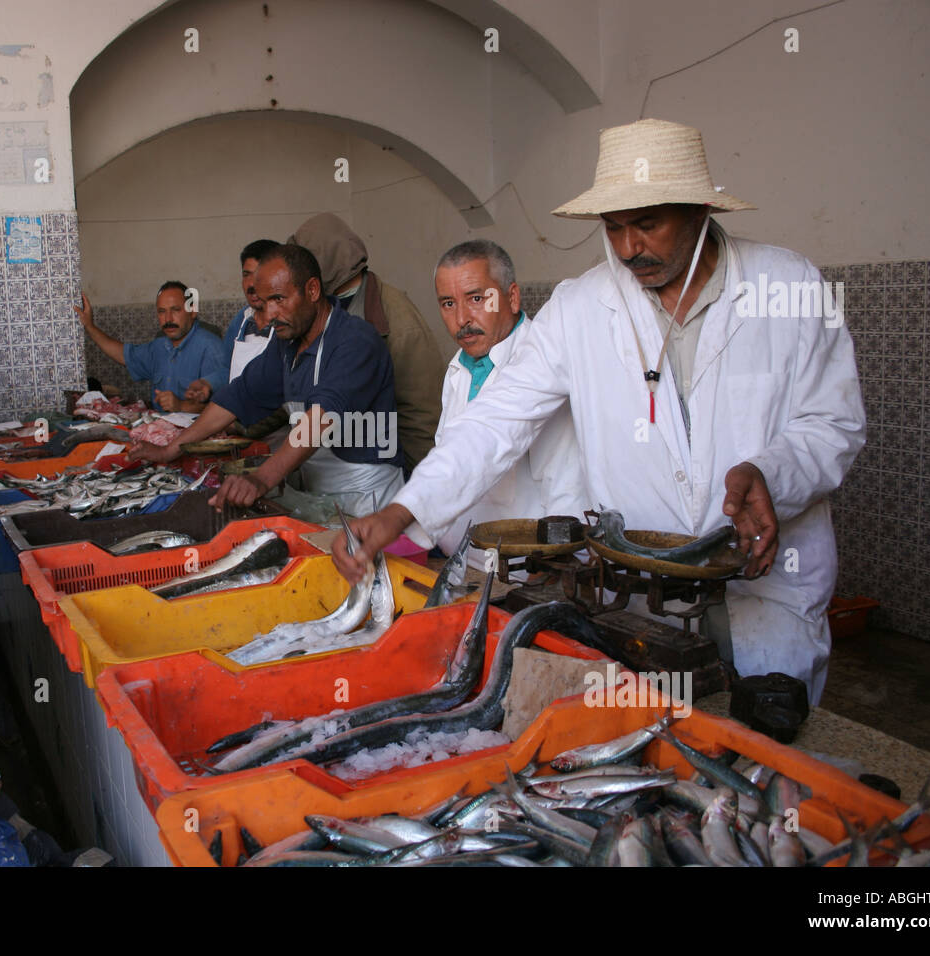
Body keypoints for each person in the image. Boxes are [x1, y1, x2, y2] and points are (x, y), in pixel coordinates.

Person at [332, 119, 866, 704]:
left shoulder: (788, 288)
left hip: (767, 588)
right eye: (614, 228)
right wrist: (404, 510)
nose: (629, 247)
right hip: (640, 594)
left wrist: (772, 473)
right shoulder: (580, 307)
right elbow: (494, 423)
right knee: (662, 751)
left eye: (648, 224)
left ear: (699, 211)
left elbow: (832, 424)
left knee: (774, 754)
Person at [135, 244, 405, 515]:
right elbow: (238, 395)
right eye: (265, 303)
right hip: (320, 492)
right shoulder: (286, 345)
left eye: (279, 299)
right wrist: (172, 450)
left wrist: (261, 478)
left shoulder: (355, 341)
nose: (271, 314)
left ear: (312, 290)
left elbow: (323, 417)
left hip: (368, 497)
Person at [412, 240, 585, 570]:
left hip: (519, 575)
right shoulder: (460, 368)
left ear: (512, 297)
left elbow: (567, 495)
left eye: (477, 298)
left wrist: (549, 579)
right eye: (448, 304)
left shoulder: (542, 370)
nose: (462, 318)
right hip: (464, 565)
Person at [289, 213, 444, 473]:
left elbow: (420, 417)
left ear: (324, 261)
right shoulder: (319, 309)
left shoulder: (396, 319)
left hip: (379, 470)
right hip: (327, 463)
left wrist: (420, 491)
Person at [76, 281, 229, 413]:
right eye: (162, 312)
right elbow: (123, 354)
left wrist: (181, 405)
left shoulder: (211, 348)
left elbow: (225, 408)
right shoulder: (159, 346)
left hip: (200, 440)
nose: (168, 319)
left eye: (176, 310)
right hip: (163, 433)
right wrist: (89, 326)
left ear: (192, 311)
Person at [187, 239, 280, 407]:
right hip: (240, 421)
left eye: (259, 275)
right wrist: (207, 384)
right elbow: (227, 370)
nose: (251, 284)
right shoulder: (242, 320)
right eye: (246, 275)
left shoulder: (288, 323)